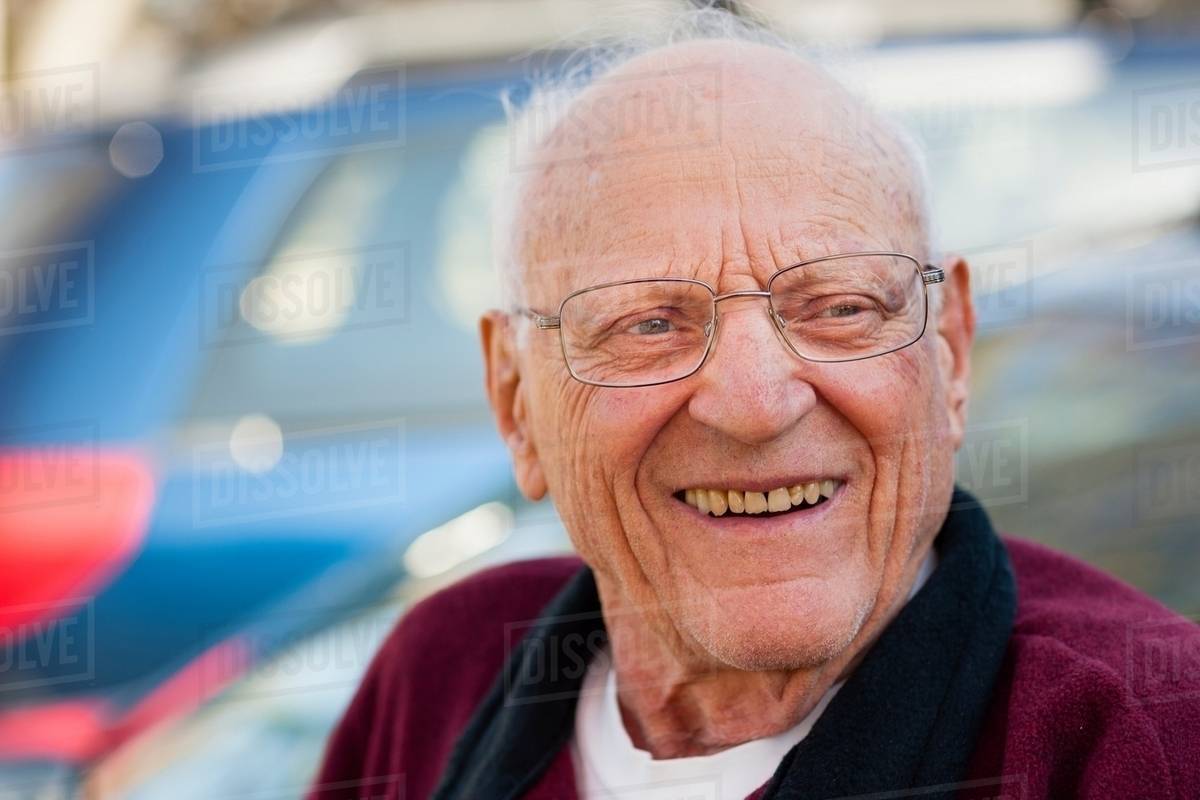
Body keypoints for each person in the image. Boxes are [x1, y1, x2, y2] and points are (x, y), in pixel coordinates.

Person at [309, 9, 1200, 800]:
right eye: (649, 322)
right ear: (515, 400)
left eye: (842, 308)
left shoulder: (1140, 737)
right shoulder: (447, 671)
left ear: (952, 352)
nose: (754, 403)